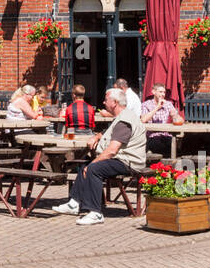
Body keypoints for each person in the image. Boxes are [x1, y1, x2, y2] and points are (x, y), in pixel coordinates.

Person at [53, 88, 146, 225]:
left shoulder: (125, 121)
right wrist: (97, 136)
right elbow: (110, 133)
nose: (103, 102)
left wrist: (94, 163)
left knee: (93, 169)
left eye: (106, 99)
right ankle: (74, 203)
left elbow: (112, 151)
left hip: (129, 162)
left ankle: (95, 212)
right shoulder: (122, 117)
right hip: (122, 159)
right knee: (85, 164)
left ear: (114, 102)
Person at [140, 82, 184, 157]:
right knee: (162, 146)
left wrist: (175, 116)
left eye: (164, 92)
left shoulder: (168, 104)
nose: (163, 94)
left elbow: (181, 121)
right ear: (153, 92)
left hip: (166, 135)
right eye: (160, 92)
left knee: (179, 147)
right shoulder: (146, 104)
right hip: (152, 136)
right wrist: (157, 107)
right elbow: (143, 120)